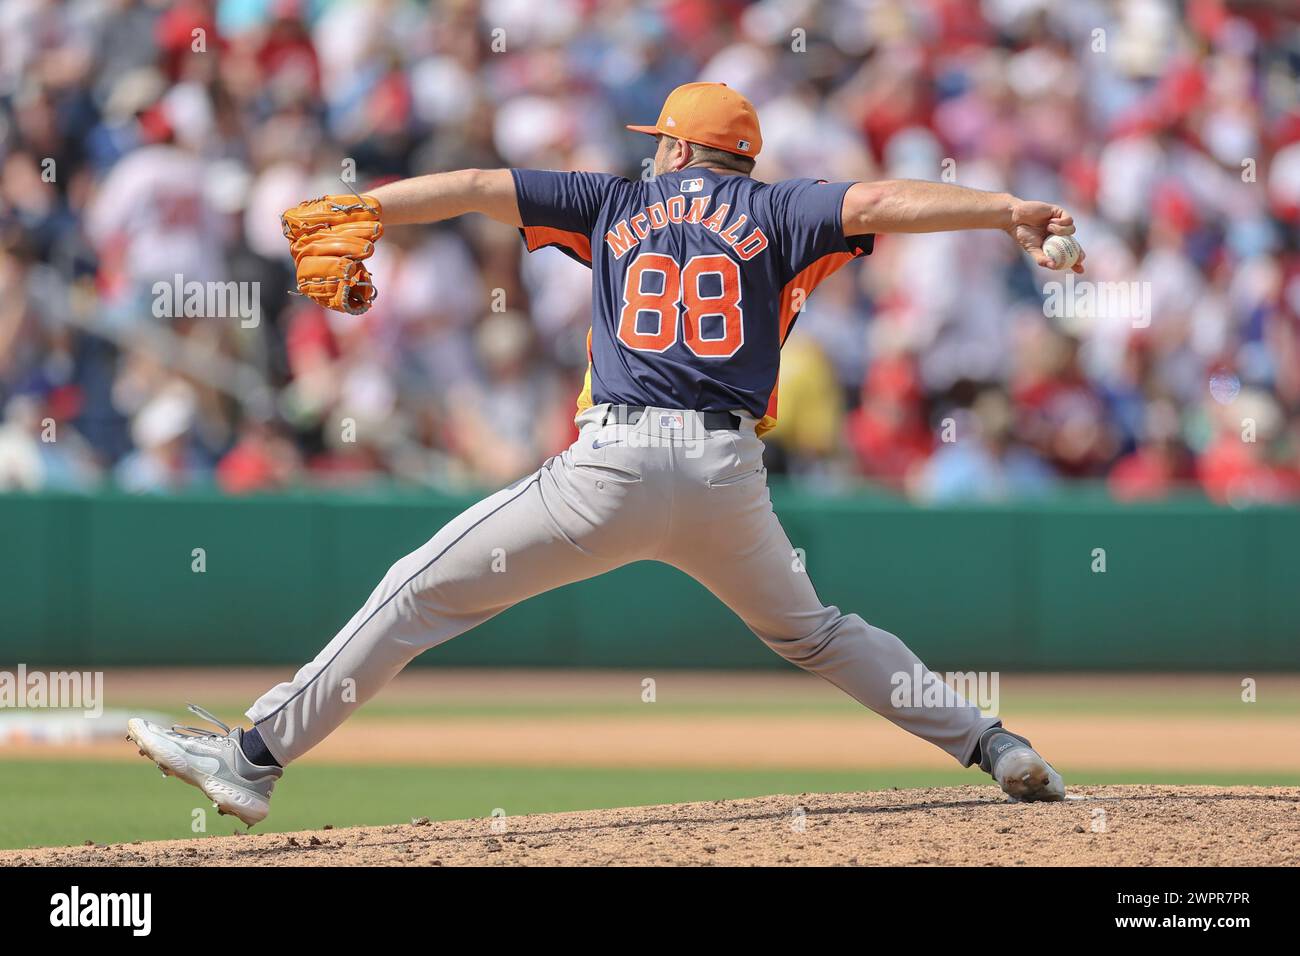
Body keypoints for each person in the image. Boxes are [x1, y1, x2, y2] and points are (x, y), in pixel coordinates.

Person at [128, 83, 1078, 825]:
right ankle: (992, 744)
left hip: (612, 470)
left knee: (419, 590)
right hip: (726, 481)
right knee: (817, 635)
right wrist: (1002, 209)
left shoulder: (612, 201)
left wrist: (364, 209)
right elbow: (881, 198)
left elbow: (473, 187)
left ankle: (252, 761)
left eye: (657, 140)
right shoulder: (785, 212)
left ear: (672, 148)